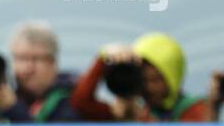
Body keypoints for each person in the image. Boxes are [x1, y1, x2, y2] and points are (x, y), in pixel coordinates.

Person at [71, 33, 212, 121]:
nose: (149, 88)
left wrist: (142, 119)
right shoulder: (128, 108)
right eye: (143, 80)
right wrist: (102, 59)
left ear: (173, 78)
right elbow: (81, 103)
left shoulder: (194, 109)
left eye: (156, 80)